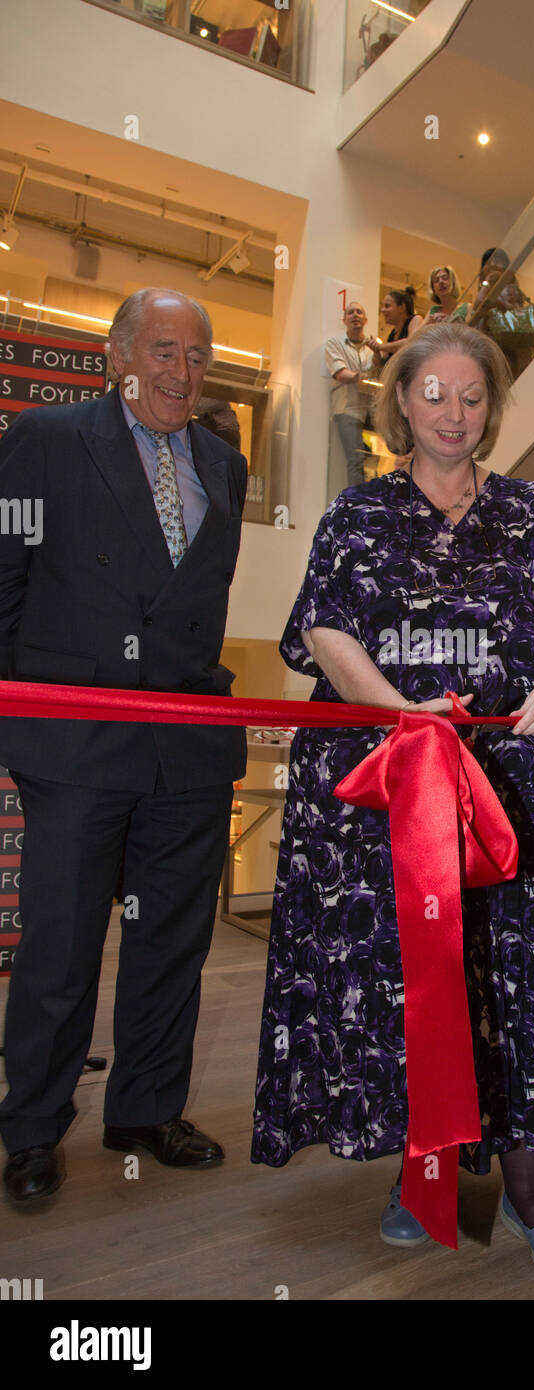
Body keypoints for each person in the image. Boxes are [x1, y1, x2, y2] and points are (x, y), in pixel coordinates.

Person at [252, 321, 534, 1289]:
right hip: (385, 779)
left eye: (472, 396)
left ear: (491, 409)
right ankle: (427, 1169)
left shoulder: (529, 510)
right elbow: (324, 630)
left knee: (526, 984)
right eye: (433, 394)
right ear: (399, 401)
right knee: (405, 974)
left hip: (509, 780)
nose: (453, 413)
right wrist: (401, 715)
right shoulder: (358, 513)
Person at [0, 288, 248, 1202]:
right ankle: (31, 1127)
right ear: (119, 357)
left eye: (197, 356)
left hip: (186, 745)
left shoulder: (226, 464)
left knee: (171, 944)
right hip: (76, 741)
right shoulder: (47, 440)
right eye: (166, 351)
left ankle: (145, 1109)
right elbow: (4, 580)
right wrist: (19, 712)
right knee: (60, 942)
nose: (182, 373)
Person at [455, 248, 534, 381]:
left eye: (497, 261)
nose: (493, 264)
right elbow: (478, 305)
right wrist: (488, 282)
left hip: (510, 348)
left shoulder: (511, 289)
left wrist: (490, 283)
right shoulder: (486, 287)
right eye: (488, 262)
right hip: (491, 348)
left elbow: (488, 304)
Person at [324, 301, 377, 487]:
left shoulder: (374, 346)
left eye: (359, 312)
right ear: (344, 319)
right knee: (355, 459)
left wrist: (378, 352)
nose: (355, 315)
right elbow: (340, 374)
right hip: (347, 410)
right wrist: (359, 377)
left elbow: (381, 371)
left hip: (371, 410)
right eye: (351, 312)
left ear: (365, 319)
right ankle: (357, 504)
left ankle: (374, 495)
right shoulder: (334, 344)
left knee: (374, 456)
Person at [369, 289, 424, 365]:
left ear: (402, 308)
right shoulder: (393, 333)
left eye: (387, 306)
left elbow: (411, 343)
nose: (382, 310)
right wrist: (375, 350)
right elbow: (380, 363)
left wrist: (380, 346)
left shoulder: (416, 319)